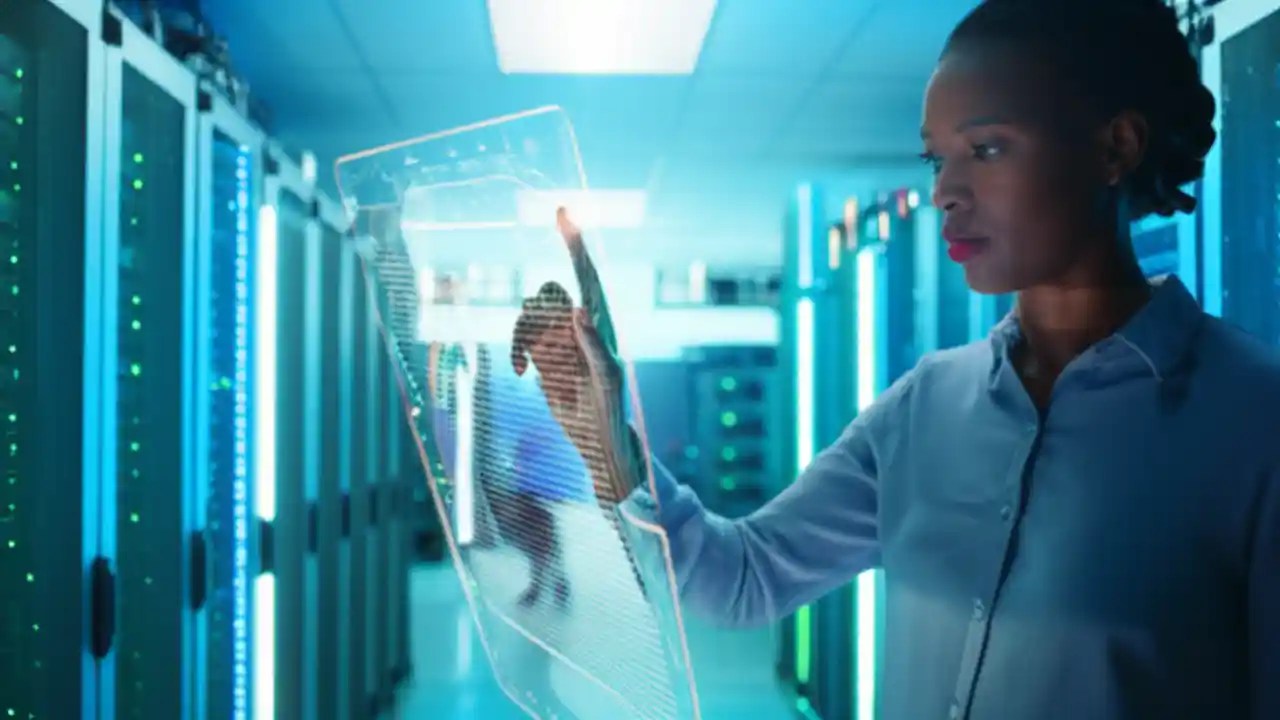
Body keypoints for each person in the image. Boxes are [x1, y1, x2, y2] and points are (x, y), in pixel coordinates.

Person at [513, 1, 1280, 718]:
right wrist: (604, 440)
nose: (946, 190)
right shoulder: (923, 408)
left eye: (985, 148)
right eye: (935, 159)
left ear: (1115, 146)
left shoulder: (1252, 421)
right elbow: (738, 581)